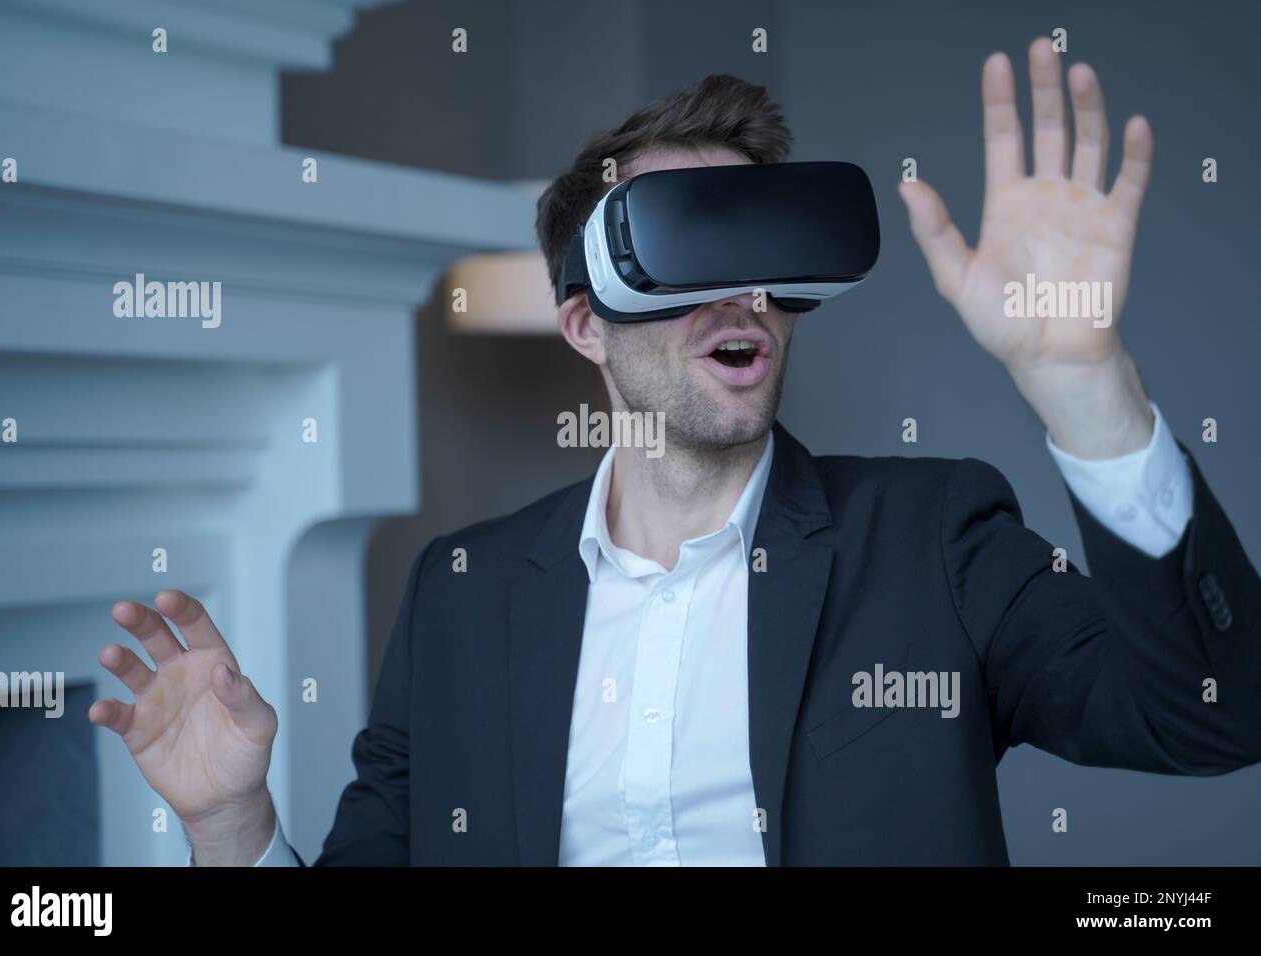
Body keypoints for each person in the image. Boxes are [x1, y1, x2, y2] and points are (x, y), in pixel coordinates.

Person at [90, 38, 1260, 866]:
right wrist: (231, 827)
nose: (741, 292)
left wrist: (1084, 387)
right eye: (686, 256)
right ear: (584, 321)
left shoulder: (933, 539)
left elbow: (1214, 716)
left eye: (762, 254)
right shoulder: (462, 594)